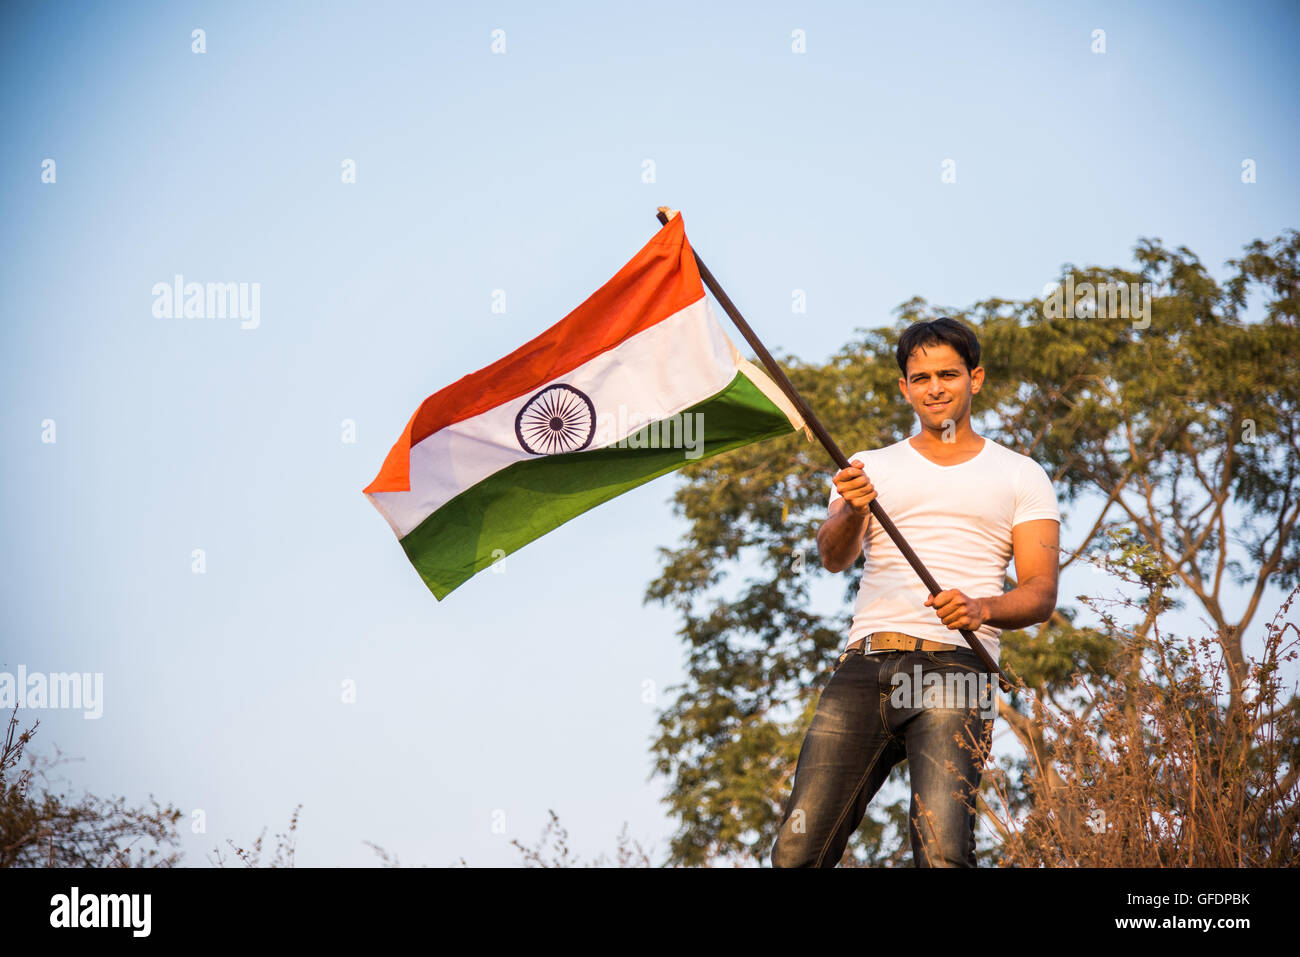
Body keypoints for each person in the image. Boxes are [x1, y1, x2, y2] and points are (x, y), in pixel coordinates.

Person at [770, 316, 1061, 867]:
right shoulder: (868, 466)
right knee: (796, 849)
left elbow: (1041, 592)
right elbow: (833, 556)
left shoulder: (1022, 475)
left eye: (948, 374)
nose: (935, 388)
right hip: (864, 664)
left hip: (957, 670)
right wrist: (853, 508)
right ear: (904, 387)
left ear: (975, 379)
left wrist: (981, 608)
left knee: (944, 853)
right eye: (920, 377)